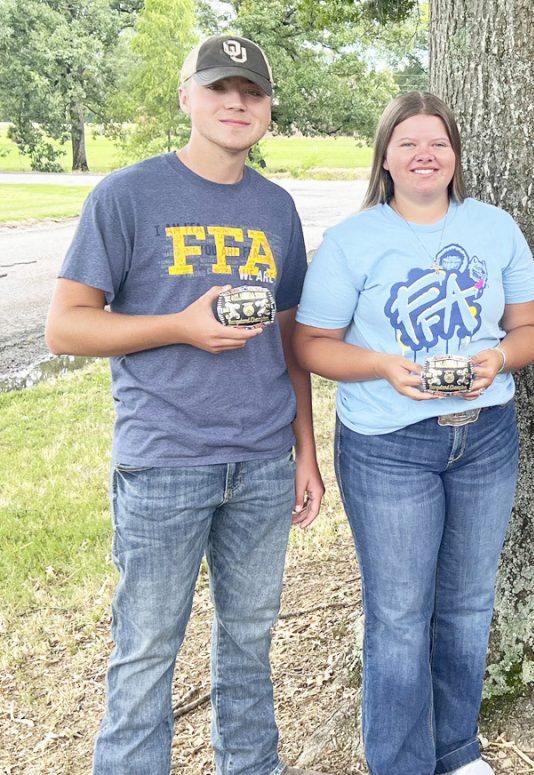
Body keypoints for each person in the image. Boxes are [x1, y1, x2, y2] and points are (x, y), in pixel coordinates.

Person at [44, 35, 326, 775]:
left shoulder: (275, 207)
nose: (236, 103)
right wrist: (179, 326)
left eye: (253, 92)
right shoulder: (127, 195)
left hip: (263, 462)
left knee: (249, 645)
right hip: (164, 460)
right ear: (186, 99)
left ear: (267, 110)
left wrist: (305, 451)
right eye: (219, 88)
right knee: (145, 653)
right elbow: (66, 325)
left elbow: (291, 339)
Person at [292, 91, 534, 775]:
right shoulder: (355, 239)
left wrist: (497, 357)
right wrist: (380, 365)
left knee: (466, 604)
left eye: (437, 142)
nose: (424, 154)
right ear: (385, 156)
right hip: (388, 446)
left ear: (456, 155)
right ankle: (400, 761)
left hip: (485, 434)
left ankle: (456, 748)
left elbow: (531, 330)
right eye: (408, 142)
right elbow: (311, 343)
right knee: (401, 615)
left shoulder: (494, 227)